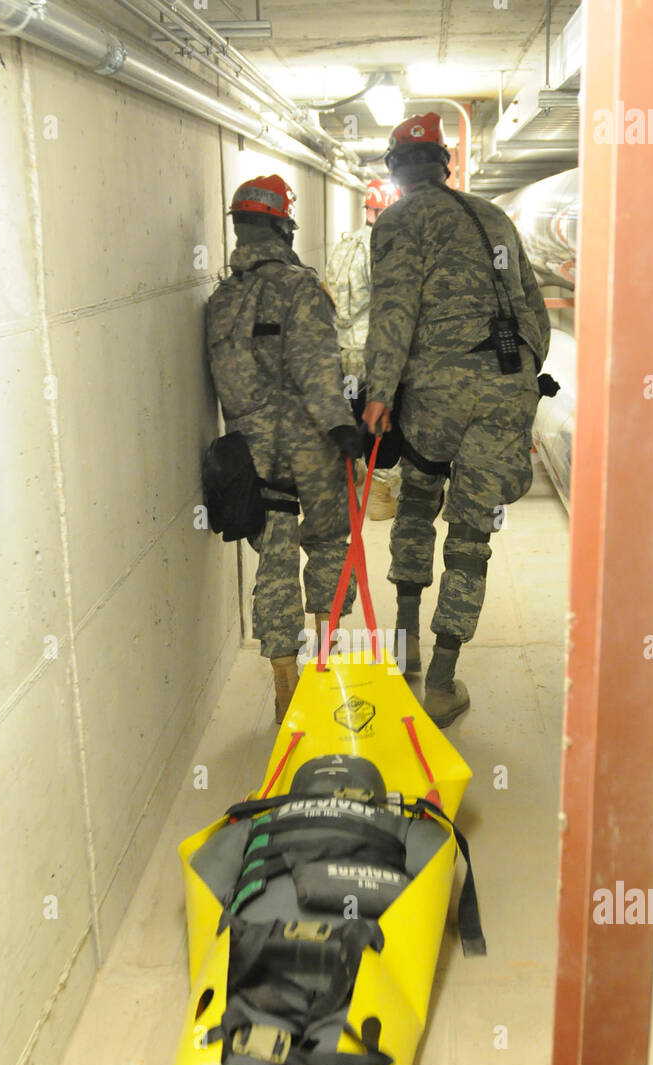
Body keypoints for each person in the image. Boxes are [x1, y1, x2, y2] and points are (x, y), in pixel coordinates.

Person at [362, 114, 551, 728]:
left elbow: (393, 312)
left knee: (418, 499)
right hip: (507, 384)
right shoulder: (494, 217)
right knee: (472, 534)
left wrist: (378, 392)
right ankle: (442, 684)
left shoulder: (397, 222)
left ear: (395, 168)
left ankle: (406, 643)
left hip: (437, 392)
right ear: (445, 164)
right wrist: (520, 378)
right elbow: (534, 310)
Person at [206, 175, 363, 722]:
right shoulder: (301, 288)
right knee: (326, 542)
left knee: (272, 562)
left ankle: (284, 687)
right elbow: (316, 369)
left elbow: (231, 386)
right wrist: (342, 427)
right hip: (310, 448)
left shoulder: (221, 301)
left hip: (254, 454)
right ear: (283, 225)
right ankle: (327, 664)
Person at [324, 178, 400, 519]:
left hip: (343, 352)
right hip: (375, 352)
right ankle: (381, 490)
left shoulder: (342, 246)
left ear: (367, 208)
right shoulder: (388, 249)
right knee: (382, 418)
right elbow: (395, 304)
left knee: (352, 413)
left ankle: (351, 473)